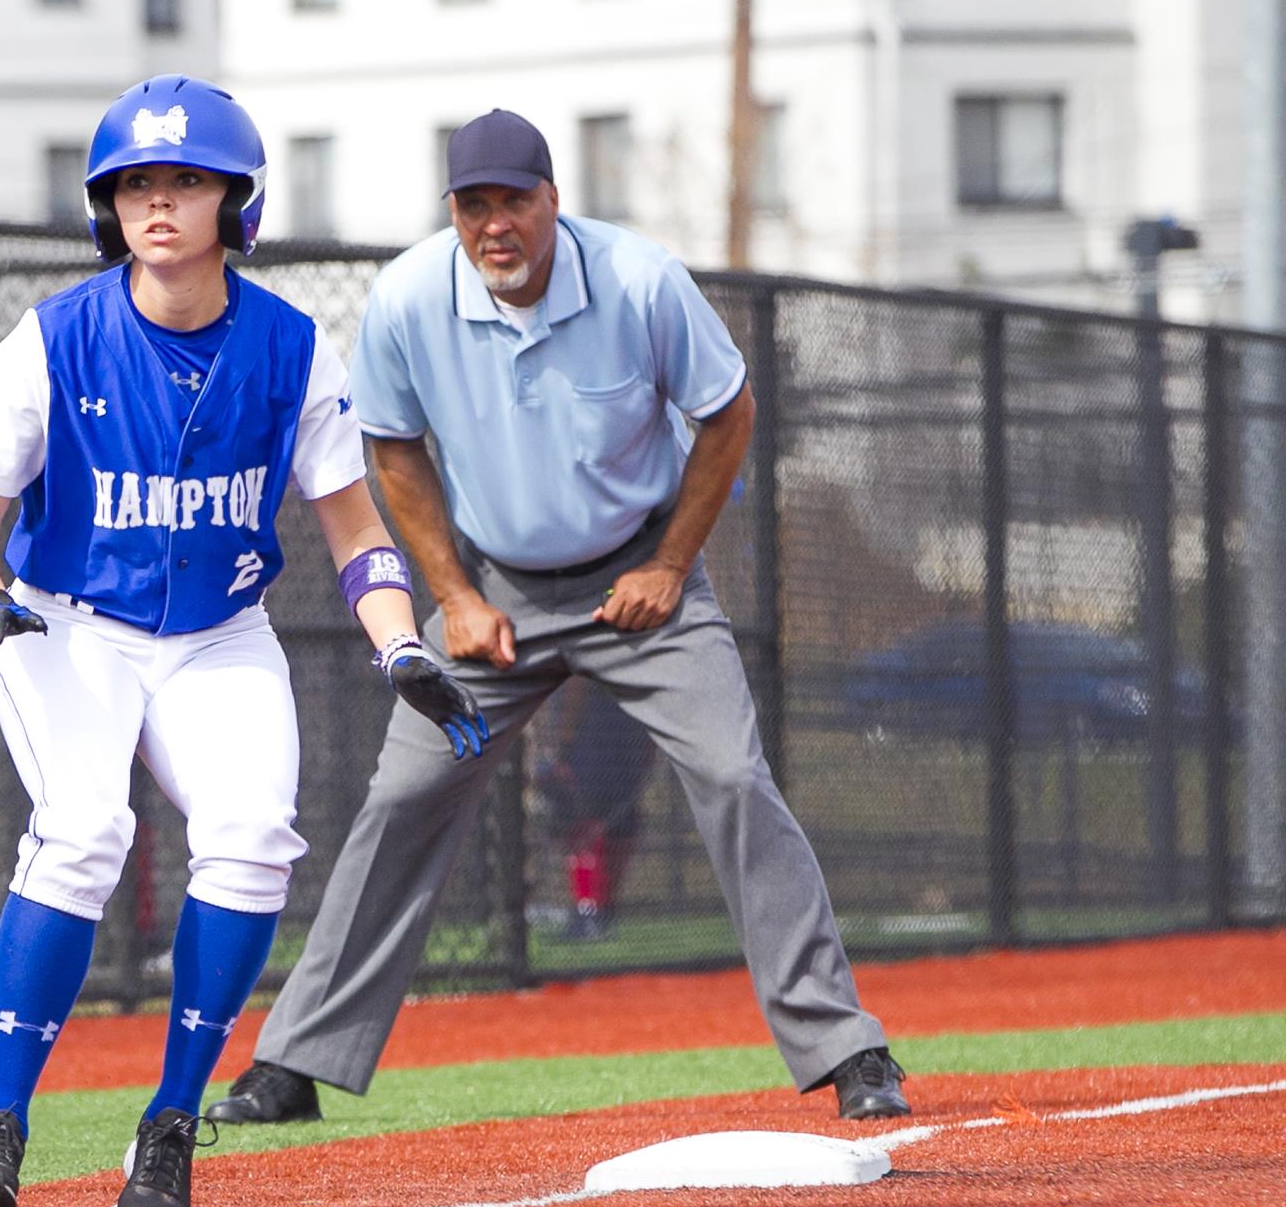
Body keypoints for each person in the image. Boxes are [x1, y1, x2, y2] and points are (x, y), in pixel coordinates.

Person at [207, 108, 910, 1129]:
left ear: (550, 202)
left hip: (641, 583)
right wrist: (451, 594)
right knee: (400, 795)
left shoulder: (637, 280)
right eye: (472, 204)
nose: (495, 224)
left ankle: (847, 1051)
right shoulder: (406, 298)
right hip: (493, 591)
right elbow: (392, 449)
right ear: (452, 212)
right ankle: (291, 1064)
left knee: (730, 776)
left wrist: (669, 563)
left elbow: (728, 412)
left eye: (514, 201)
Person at [0, 75, 488, 1207]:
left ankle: (171, 1119)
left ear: (237, 202)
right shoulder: (53, 339)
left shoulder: (291, 349)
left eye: (185, 180)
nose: (158, 201)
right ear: (107, 208)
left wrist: (399, 645)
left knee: (250, 840)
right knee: (83, 832)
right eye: (135, 182)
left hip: (219, 631)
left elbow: (350, 523)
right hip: (63, 622)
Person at [533, 682, 657, 940]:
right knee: (612, 820)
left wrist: (562, 746)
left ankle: (590, 913)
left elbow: (574, 685)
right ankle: (598, 912)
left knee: (591, 820)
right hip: (628, 729)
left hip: (596, 736)